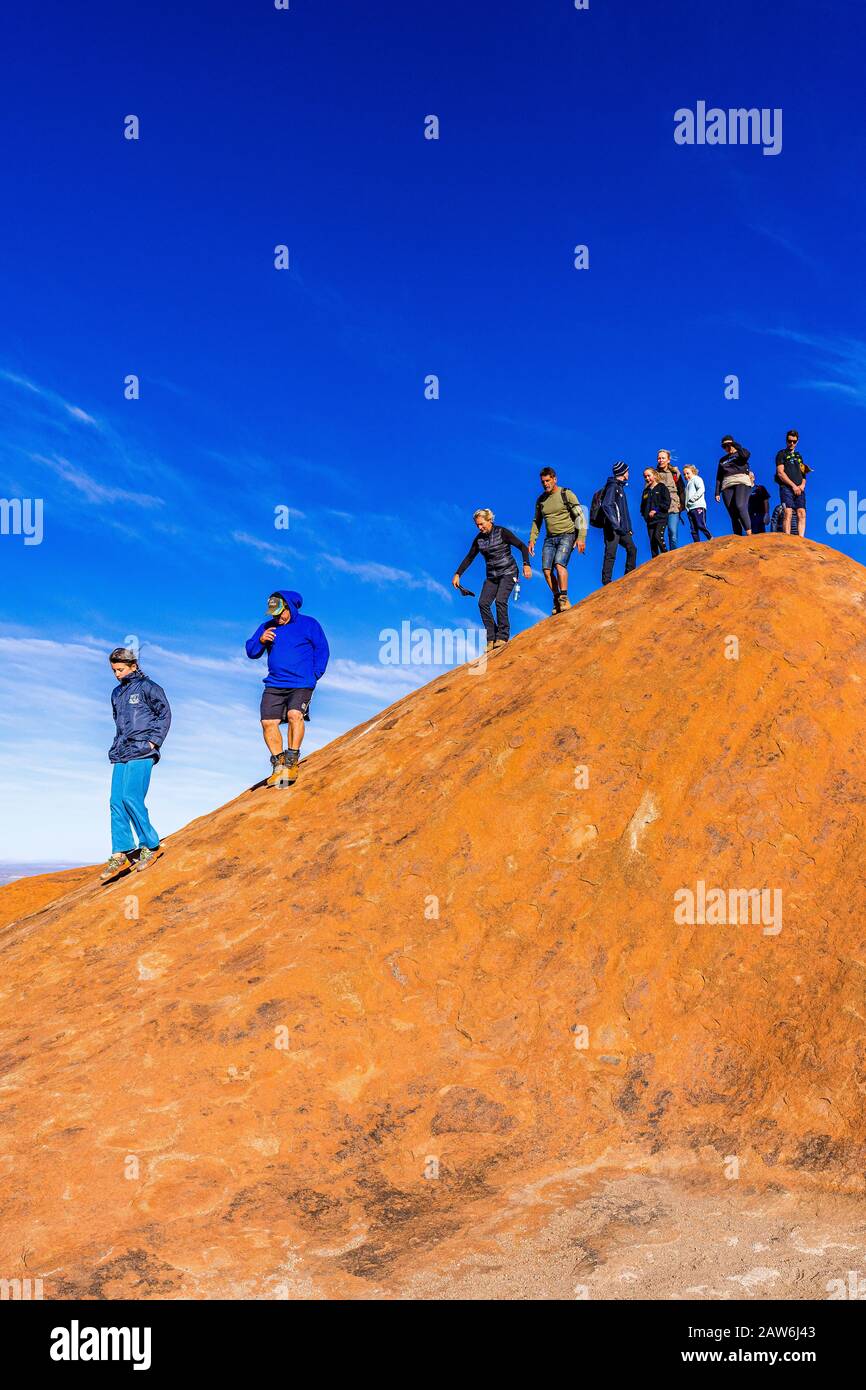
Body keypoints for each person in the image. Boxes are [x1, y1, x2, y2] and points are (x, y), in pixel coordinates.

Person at [100, 648, 172, 882]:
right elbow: (118, 722)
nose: (117, 674)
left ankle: (150, 845)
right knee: (116, 800)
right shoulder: (116, 693)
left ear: (132, 666)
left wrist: (154, 741)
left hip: (142, 750)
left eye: (120, 669)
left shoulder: (149, 687)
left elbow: (165, 714)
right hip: (121, 751)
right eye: (113, 670)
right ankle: (123, 850)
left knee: (132, 797)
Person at [246, 590, 329, 787]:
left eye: (280, 613)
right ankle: (278, 765)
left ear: (289, 607)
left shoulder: (309, 624)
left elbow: (322, 649)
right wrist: (261, 641)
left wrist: (315, 674)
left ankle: (292, 762)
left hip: (301, 682)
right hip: (275, 683)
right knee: (268, 722)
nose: (277, 617)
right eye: (273, 614)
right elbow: (251, 652)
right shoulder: (267, 627)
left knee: (294, 715)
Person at [453, 509, 532, 649]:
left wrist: (526, 564)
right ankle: (491, 638)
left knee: (501, 601)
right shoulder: (479, 540)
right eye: (477, 525)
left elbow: (522, 546)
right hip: (492, 577)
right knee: (483, 603)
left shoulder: (502, 532)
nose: (479, 527)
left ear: (490, 520)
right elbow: (469, 557)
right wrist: (458, 574)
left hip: (509, 572)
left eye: (481, 524)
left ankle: (502, 636)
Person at [527, 467, 587, 614]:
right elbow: (537, 521)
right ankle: (557, 598)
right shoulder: (541, 500)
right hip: (550, 539)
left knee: (559, 564)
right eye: (543, 482)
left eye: (548, 481)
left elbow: (580, 516)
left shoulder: (566, 494)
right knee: (546, 570)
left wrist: (581, 538)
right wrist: (532, 540)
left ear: (555, 479)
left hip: (567, 534)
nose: (545, 484)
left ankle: (564, 599)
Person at [599, 461, 638, 585]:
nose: (628, 473)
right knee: (611, 553)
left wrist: (628, 527)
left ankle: (629, 575)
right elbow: (606, 505)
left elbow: (623, 511)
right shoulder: (613, 487)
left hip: (622, 528)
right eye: (627, 471)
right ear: (623, 472)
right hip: (613, 528)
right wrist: (615, 525)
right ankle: (606, 582)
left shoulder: (620, 487)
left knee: (632, 548)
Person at [775, 428, 811, 538]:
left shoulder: (799, 456)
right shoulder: (781, 454)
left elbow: (804, 473)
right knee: (788, 512)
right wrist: (793, 486)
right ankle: (787, 538)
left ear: (797, 442)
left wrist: (802, 485)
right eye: (789, 441)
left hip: (800, 488)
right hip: (786, 488)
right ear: (786, 441)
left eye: (794, 441)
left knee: (802, 513)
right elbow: (780, 473)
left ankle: (801, 539)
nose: (791, 443)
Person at [715, 436, 753, 536]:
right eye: (724, 446)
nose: (727, 448)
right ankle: (738, 537)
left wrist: (735, 445)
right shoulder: (722, 460)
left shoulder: (741, 453)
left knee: (740, 505)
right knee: (733, 513)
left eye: (728, 445)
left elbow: (745, 456)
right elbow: (719, 476)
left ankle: (749, 534)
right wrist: (717, 492)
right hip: (726, 484)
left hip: (741, 481)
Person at [656, 451, 683, 550]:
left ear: (668, 460)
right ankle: (663, 557)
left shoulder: (674, 473)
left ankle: (674, 556)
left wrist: (682, 505)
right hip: (660, 508)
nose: (661, 460)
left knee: (672, 532)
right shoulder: (655, 474)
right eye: (659, 458)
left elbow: (681, 489)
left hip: (674, 507)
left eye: (663, 458)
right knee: (658, 535)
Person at [640, 468, 671, 556]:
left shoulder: (662, 487)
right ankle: (655, 560)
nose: (647, 478)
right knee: (652, 541)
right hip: (650, 521)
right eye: (645, 477)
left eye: (649, 476)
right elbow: (642, 506)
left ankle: (666, 555)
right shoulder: (646, 491)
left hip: (661, 519)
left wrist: (656, 510)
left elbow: (667, 503)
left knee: (658, 537)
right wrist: (645, 515)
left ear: (654, 475)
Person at [682, 465, 712, 542]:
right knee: (693, 529)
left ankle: (711, 538)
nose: (686, 476)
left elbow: (701, 489)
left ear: (693, 472)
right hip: (690, 509)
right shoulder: (687, 485)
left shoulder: (697, 479)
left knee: (700, 524)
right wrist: (686, 507)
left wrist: (693, 499)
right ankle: (696, 544)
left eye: (688, 473)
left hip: (698, 506)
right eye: (684, 474)